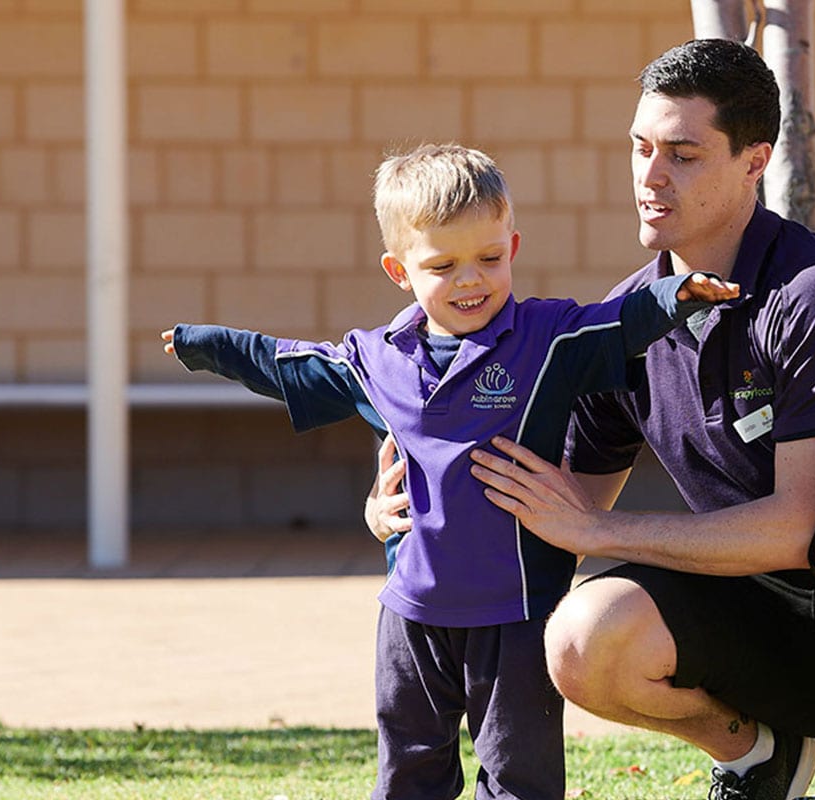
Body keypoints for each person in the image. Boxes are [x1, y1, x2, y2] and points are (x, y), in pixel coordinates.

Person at [367, 41, 815, 800]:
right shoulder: (624, 326)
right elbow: (547, 505)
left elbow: (796, 525)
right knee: (581, 637)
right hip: (773, 632)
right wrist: (410, 510)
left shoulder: (814, 290)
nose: (650, 175)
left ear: (753, 161)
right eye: (640, 148)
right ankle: (759, 756)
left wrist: (605, 534)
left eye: (683, 153)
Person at [162, 144, 739, 800]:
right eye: (443, 265)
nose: (472, 280)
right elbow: (286, 362)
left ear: (513, 247)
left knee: (520, 781)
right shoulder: (374, 360)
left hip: (518, 616)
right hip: (411, 619)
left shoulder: (548, 338)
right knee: (409, 775)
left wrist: (683, 293)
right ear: (398, 270)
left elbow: (623, 319)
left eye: (489, 259)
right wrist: (207, 345)